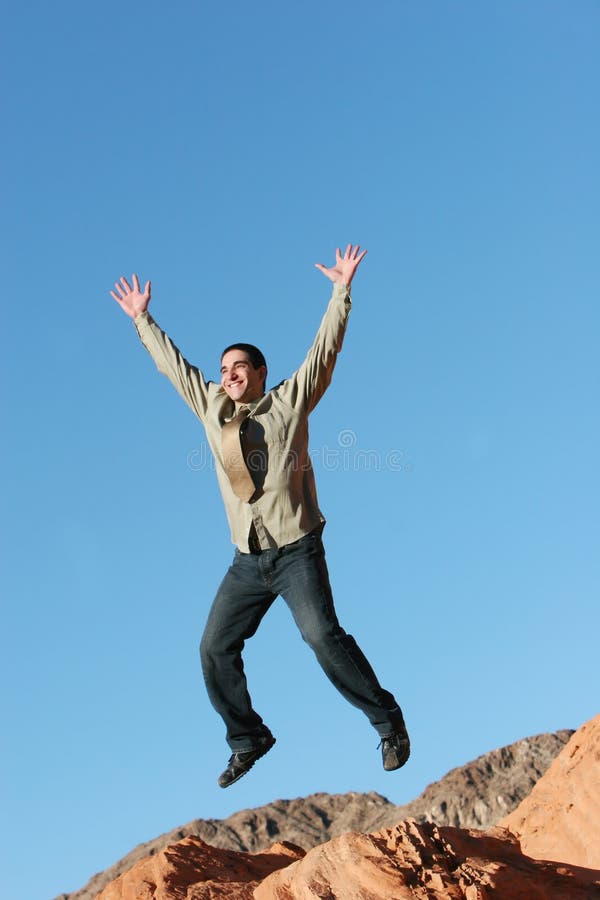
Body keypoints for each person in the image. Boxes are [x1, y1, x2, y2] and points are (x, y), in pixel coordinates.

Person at [110, 245, 410, 787]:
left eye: (238, 367)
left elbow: (324, 351)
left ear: (260, 372)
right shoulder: (211, 407)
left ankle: (387, 722)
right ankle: (249, 739)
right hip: (247, 561)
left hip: (297, 550)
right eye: (223, 369)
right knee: (213, 646)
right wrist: (142, 320)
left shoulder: (289, 402)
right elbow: (174, 367)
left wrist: (341, 292)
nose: (228, 375)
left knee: (322, 637)